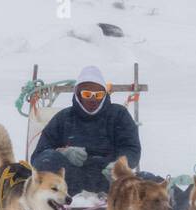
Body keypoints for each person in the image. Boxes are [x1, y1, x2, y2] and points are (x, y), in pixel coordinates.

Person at [30, 65, 140, 198]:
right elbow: (39, 156)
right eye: (87, 94)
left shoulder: (119, 115)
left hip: (109, 179)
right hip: (71, 181)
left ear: (104, 95)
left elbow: (131, 148)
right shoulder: (63, 118)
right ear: (77, 94)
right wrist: (63, 153)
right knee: (49, 160)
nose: (93, 99)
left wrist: (120, 165)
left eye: (98, 95)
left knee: (152, 185)